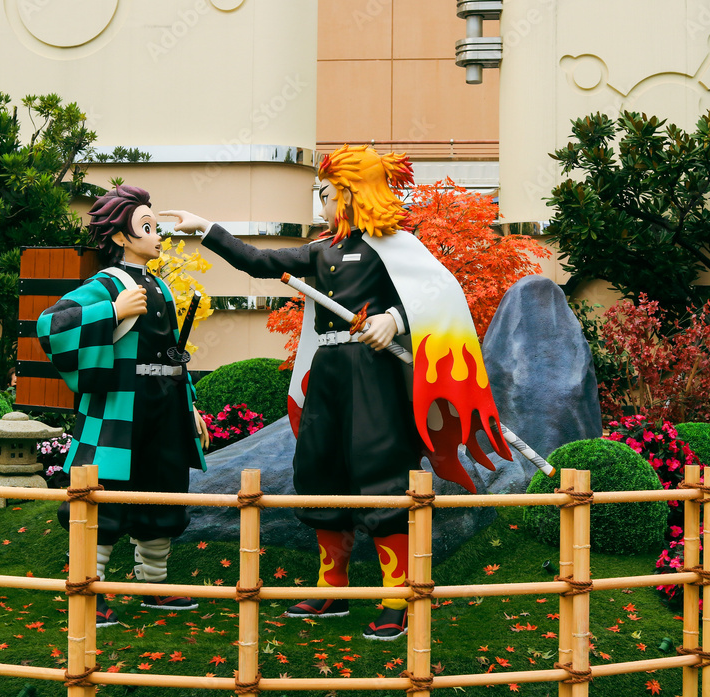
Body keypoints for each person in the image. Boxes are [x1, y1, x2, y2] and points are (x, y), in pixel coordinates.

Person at [163, 145, 511, 641]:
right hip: (327, 374)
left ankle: (398, 594)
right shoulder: (321, 249)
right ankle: (333, 584)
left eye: (325, 195)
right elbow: (260, 261)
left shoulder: (400, 247)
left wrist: (395, 320)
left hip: (377, 376)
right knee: (321, 471)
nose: (321, 205)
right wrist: (208, 229)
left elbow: (441, 293)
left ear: (350, 194)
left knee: (381, 472)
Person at [37, 185, 210, 627]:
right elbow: (51, 325)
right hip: (119, 406)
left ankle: (153, 585)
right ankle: (87, 588)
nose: (157, 235)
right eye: (146, 227)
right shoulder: (105, 285)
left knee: (164, 491)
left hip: (165, 407)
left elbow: (174, 352)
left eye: (155, 226)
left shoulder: (162, 288)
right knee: (104, 494)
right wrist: (112, 310)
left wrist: (190, 405)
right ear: (119, 236)